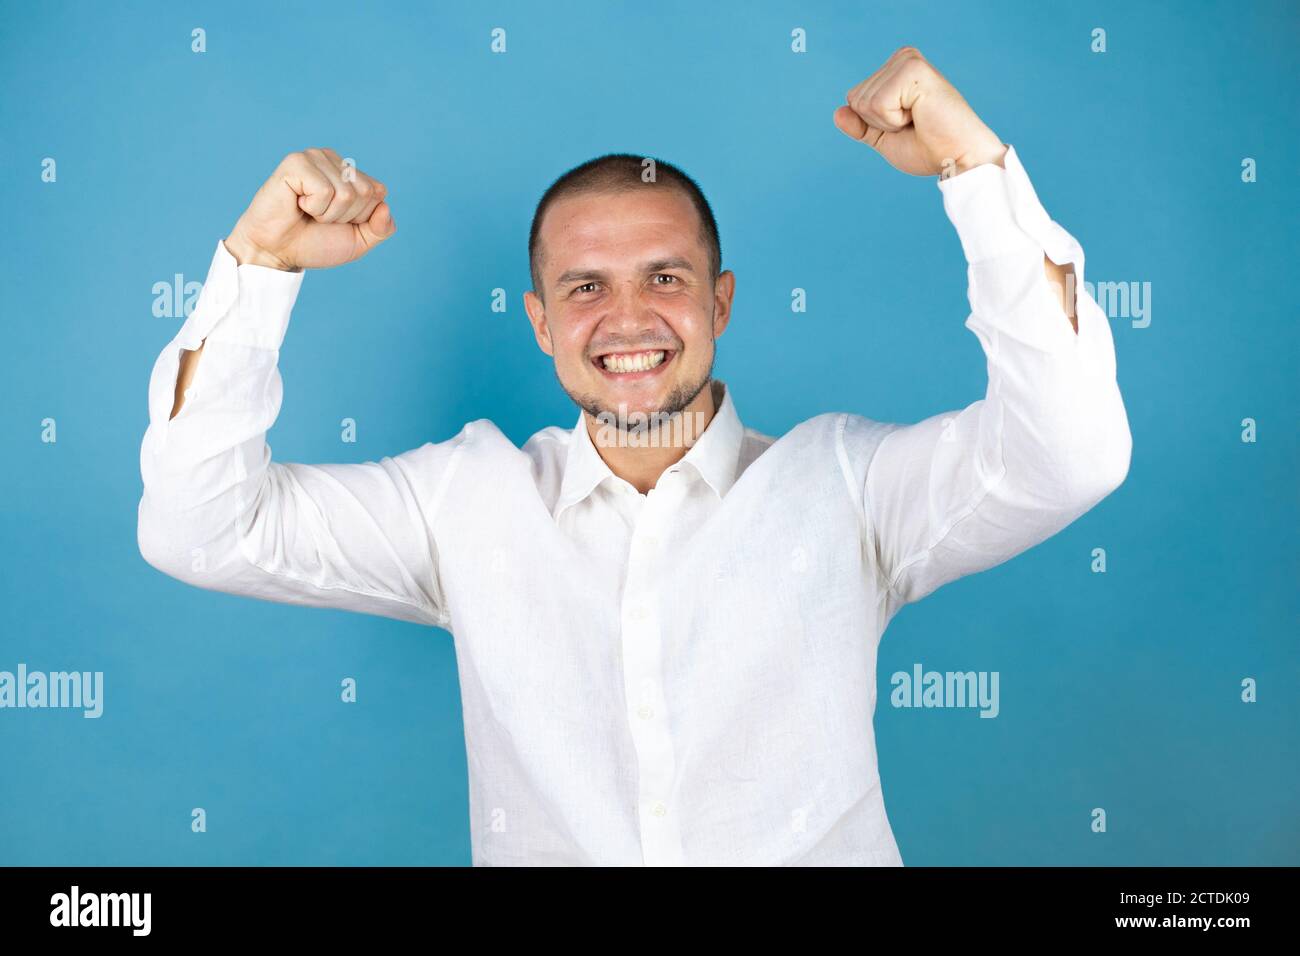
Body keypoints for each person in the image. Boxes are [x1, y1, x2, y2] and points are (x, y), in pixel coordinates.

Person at [137, 47, 1132, 865]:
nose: (626, 319)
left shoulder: (848, 485)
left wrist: (975, 171)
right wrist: (258, 264)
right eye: (583, 287)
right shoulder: (464, 500)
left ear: (720, 303)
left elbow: (1071, 451)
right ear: (537, 322)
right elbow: (201, 529)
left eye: (664, 276)